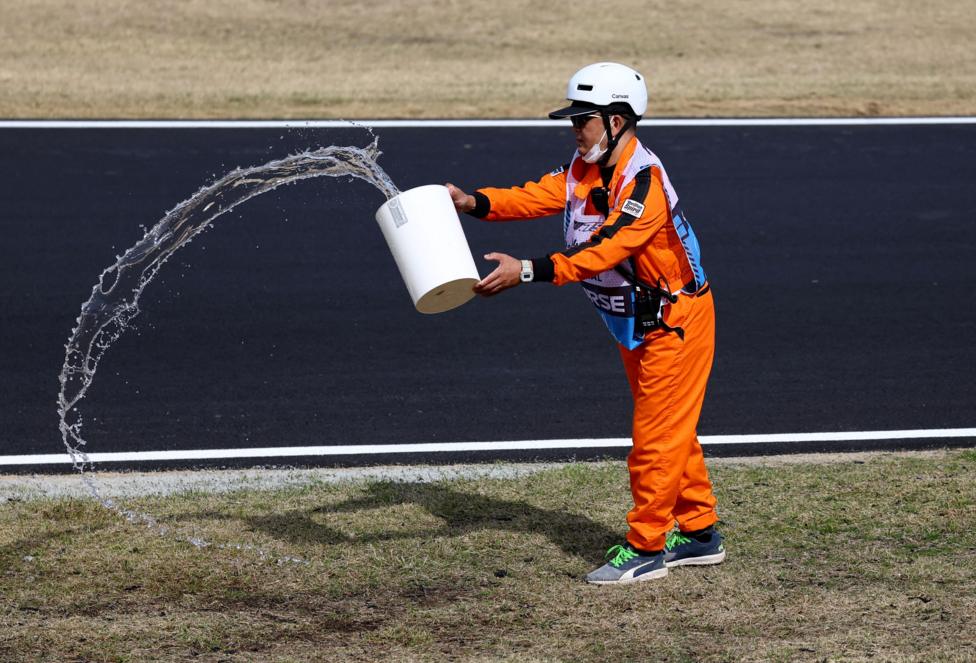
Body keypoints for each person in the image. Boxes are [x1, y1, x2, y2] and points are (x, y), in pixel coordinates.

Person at [446, 62, 725, 585]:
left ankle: (647, 547)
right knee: (669, 428)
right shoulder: (586, 167)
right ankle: (701, 531)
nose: (575, 128)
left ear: (617, 121)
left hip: (675, 323)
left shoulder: (644, 185)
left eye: (584, 119)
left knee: (655, 439)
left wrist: (526, 270)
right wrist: (473, 203)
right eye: (573, 119)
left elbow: (601, 251)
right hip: (638, 324)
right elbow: (539, 194)